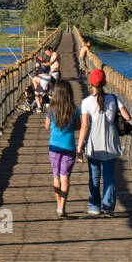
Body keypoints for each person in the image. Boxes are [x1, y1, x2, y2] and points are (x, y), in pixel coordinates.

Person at [75, 67, 131, 217]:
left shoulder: (86, 102)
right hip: (110, 142)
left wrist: (79, 147)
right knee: (109, 176)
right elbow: (128, 117)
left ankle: (94, 206)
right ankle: (108, 207)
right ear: (105, 82)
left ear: (91, 83)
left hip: (93, 144)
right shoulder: (114, 98)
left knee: (94, 176)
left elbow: (85, 126)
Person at [45, 79, 79, 217]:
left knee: (56, 176)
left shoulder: (51, 109)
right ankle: (63, 207)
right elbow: (78, 126)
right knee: (65, 177)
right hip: (69, 147)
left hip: (54, 147)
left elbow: (47, 126)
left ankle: (58, 204)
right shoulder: (74, 109)